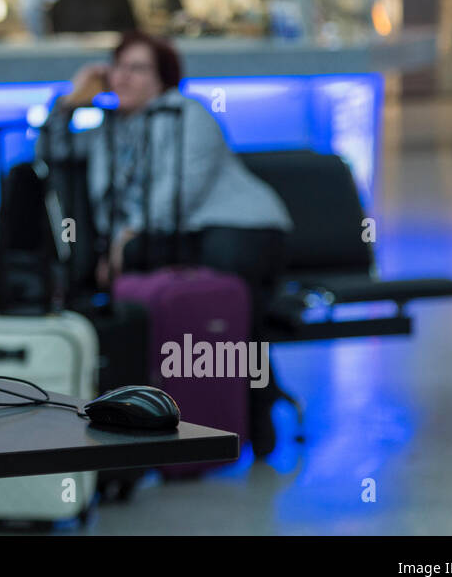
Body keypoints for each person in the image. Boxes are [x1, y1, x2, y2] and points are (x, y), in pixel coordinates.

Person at [38, 31, 293, 453]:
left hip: (242, 228)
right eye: (118, 67)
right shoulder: (109, 129)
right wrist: (69, 101)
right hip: (180, 239)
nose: (124, 77)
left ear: (164, 79)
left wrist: (121, 245)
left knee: (219, 283)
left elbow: (179, 192)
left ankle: (255, 407)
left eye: (138, 69)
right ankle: (256, 403)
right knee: (212, 306)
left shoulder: (187, 115)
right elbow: (51, 152)